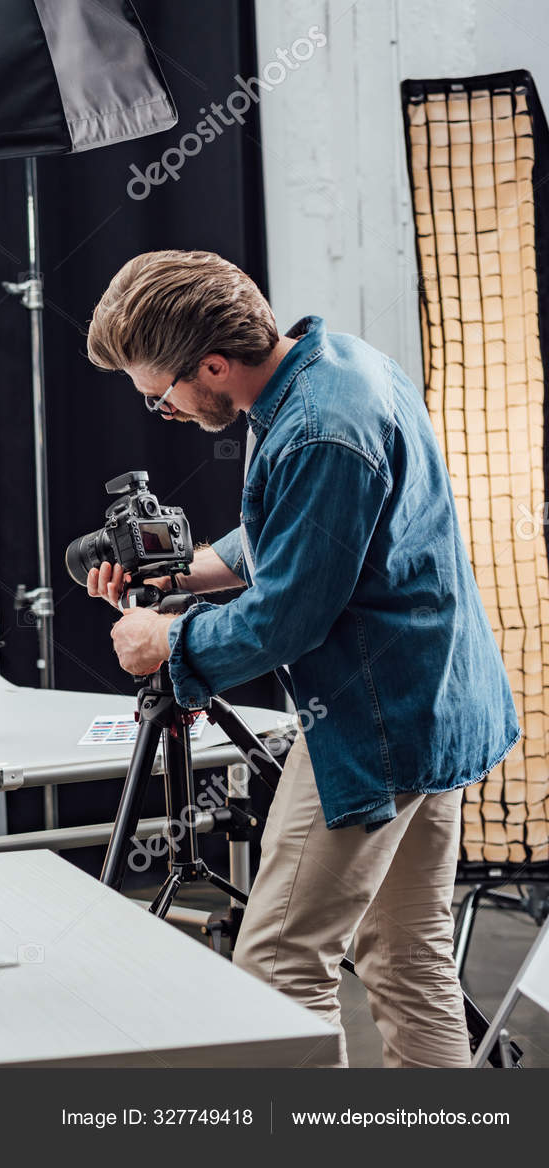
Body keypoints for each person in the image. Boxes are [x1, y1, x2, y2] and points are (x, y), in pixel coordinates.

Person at [83, 249, 519, 1067]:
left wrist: (165, 639)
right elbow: (307, 535)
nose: (165, 410)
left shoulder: (318, 430)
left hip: (375, 723)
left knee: (278, 967)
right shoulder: (339, 367)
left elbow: (288, 618)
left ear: (212, 363)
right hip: (435, 703)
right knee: (408, 956)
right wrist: (185, 569)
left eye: (164, 395)